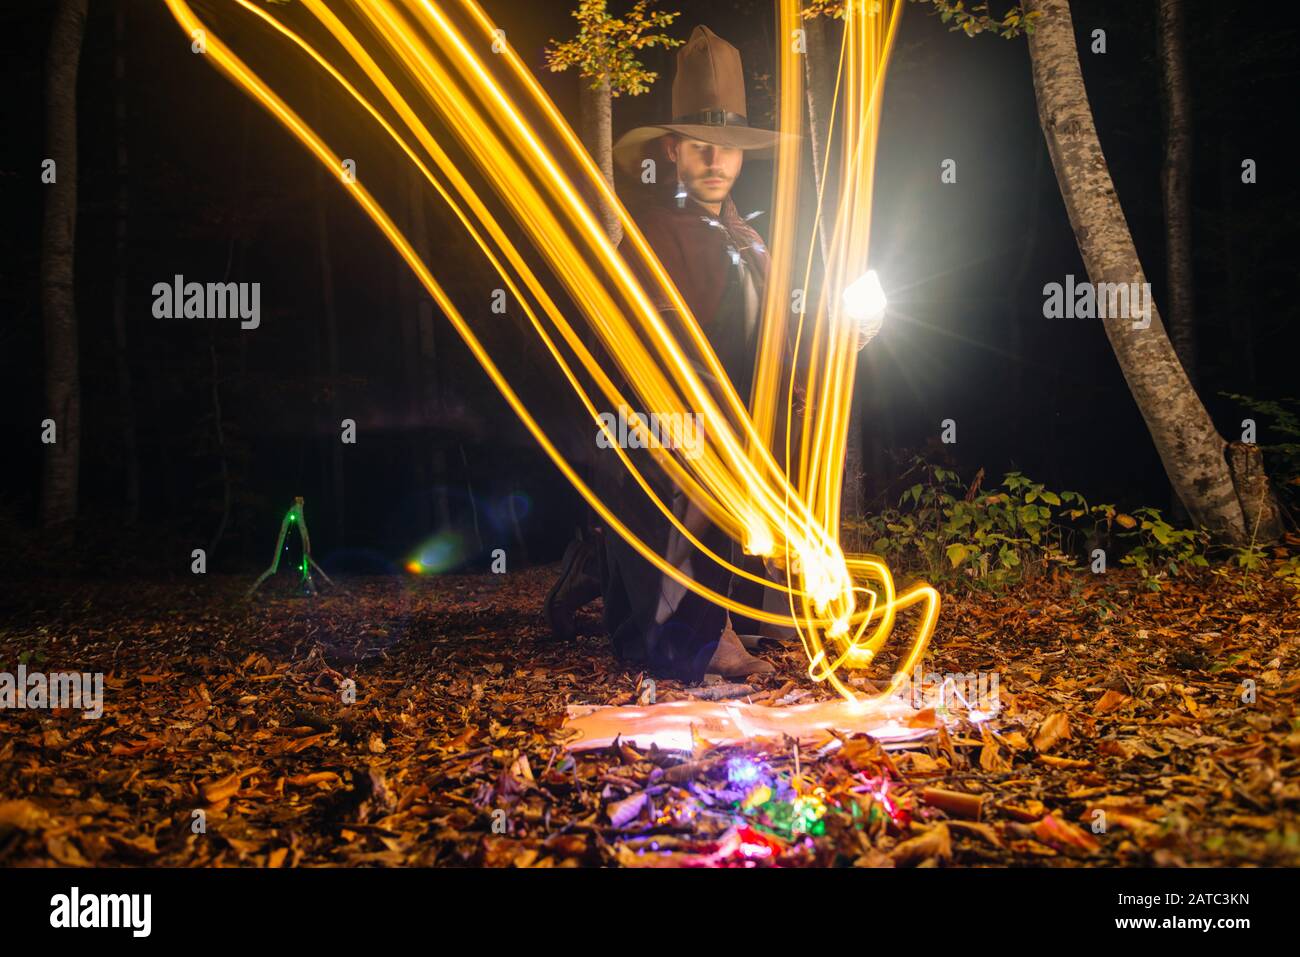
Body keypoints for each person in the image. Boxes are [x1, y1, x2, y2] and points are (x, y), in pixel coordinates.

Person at [544, 26, 882, 682]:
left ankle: (613, 569)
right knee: (690, 461)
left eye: (728, 148)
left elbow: (782, 343)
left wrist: (844, 332)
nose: (715, 161)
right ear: (673, 151)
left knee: (759, 469)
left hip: (741, 426)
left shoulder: (752, 243)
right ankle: (697, 635)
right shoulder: (652, 239)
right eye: (701, 146)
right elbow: (642, 350)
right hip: (671, 429)